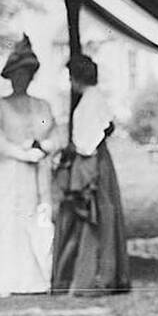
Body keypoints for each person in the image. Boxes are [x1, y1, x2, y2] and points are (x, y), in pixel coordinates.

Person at [0, 34, 59, 296]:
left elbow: (55, 135)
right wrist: (19, 152)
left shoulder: (41, 106)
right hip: (8, 172)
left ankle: (36, 279)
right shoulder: (0, 106)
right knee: (6, 224)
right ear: (10, 76)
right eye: (17, 74)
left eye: (26, 74)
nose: (21, 79)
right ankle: (4, 280)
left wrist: (42, 148)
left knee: (35, 223)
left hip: (35, 173)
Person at [51, 54, 131, 295]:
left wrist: (70, 154)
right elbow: (107, 127)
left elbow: (87, 143)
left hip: (91, 163)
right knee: (100, 214)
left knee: (91, 216)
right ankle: (102, 274)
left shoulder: (88, 102)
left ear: (75, 78)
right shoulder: (97, 98)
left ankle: (93, 278)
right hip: (101, 161)